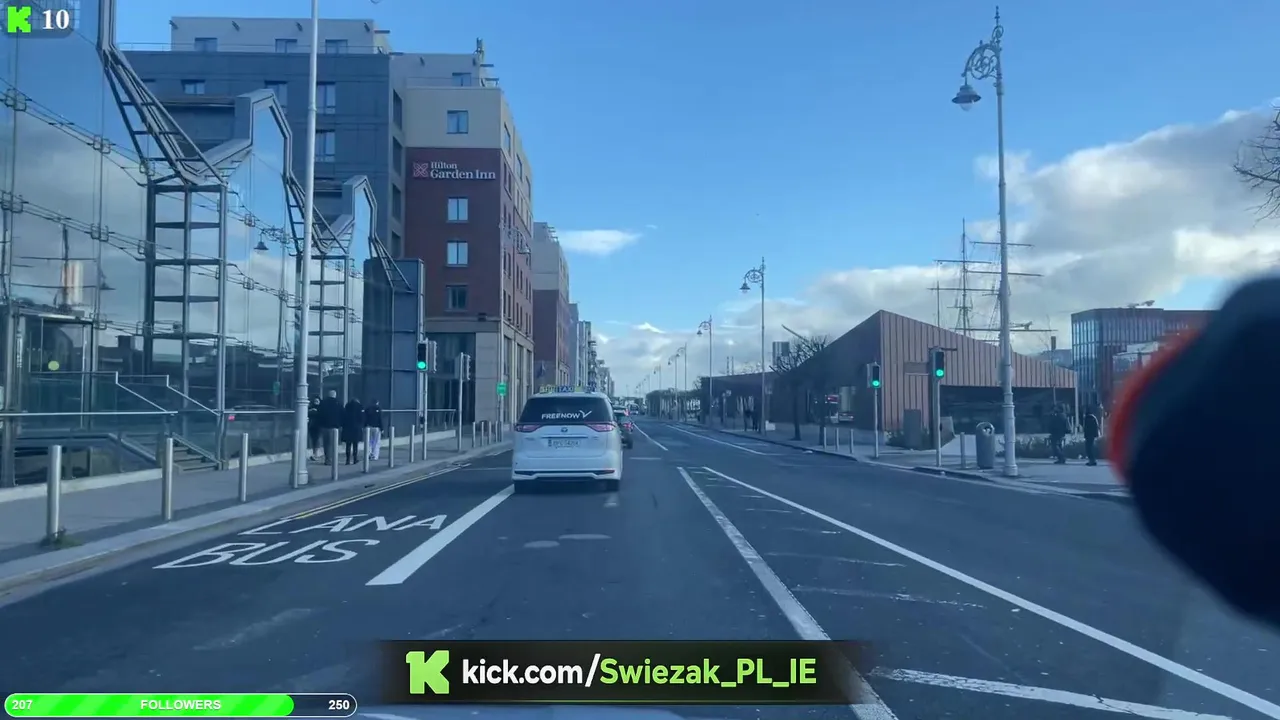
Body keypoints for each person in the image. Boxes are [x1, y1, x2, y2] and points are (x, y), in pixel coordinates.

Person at [317, 390, 342, 465]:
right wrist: (340, 424)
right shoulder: (338, 403)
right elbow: (342, 414)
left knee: (326, 444)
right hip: (334, 427)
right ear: (335, 395)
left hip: (324, 426)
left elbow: (319, 413)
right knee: (333, 444)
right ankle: (333, 459)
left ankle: (327, 459)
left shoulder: (323, 403)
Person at [341, 396, 364, 465]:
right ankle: (355, 459)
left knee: (348, 444)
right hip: (356, 428)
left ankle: (347, 460)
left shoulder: (347, 407)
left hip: (347, 428)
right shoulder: (360, 407)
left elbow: (343, 417)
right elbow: (362, 418)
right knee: (355, 444)